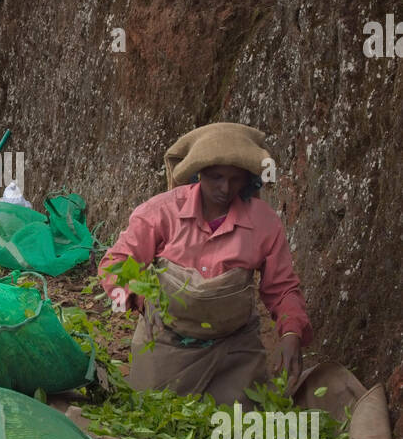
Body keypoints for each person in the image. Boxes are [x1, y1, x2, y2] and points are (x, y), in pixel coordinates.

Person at [98, 122, 312, 405]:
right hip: (167, 342)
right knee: (153, 427)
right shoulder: (161, 212)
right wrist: (137, 299)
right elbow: (114, 265)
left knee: (239, 434)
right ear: (198, 174)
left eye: (235, 179)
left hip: (233, 349)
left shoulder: (264, 223)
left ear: (247, 179)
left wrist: (292, 332)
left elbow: (282, 288)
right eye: (215, 177)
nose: (225, 188)